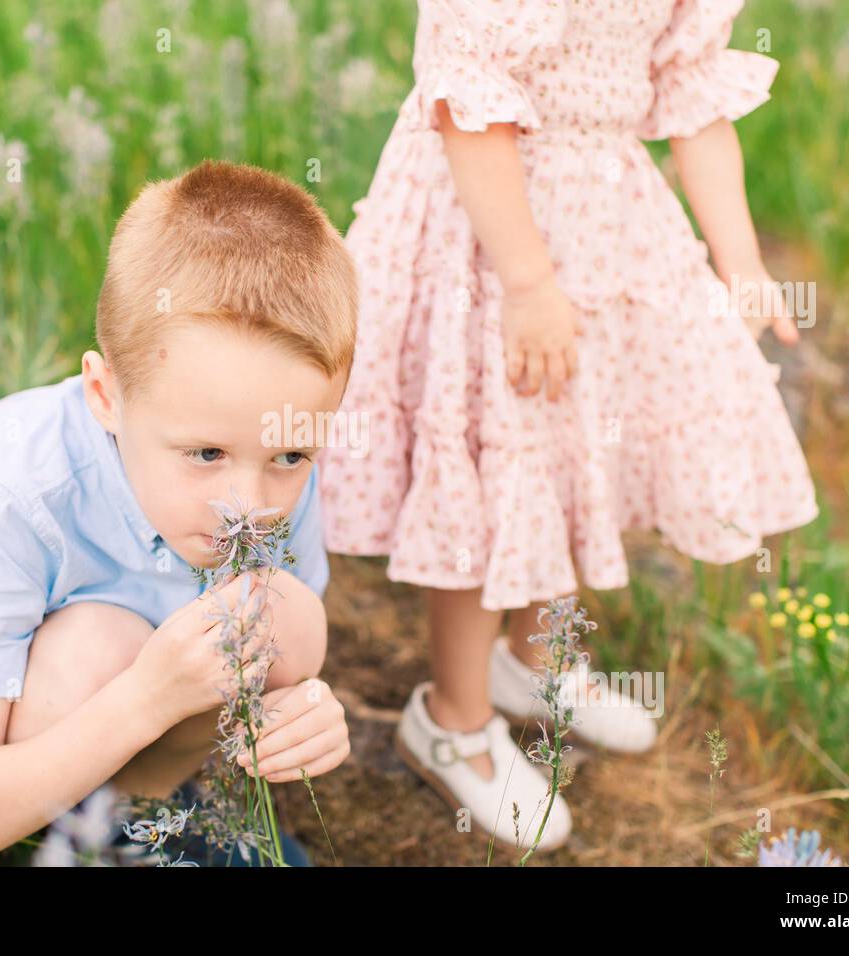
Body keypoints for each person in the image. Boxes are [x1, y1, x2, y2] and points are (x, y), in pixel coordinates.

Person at [319, 0, 819, 851]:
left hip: (606, 216)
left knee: (568, 444)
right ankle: (453, 721)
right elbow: (466, 99)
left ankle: (533, 662)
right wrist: (526, 284)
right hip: (493, 222)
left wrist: (739, 262)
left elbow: (691, 95)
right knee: (492, 454)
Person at [0, 159, 356, 866]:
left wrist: (301, 714)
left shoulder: (266, 445)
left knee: (282, 615)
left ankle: (145, 810)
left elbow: (286, 653)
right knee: (94, 646)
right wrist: (145, 702)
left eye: (289, 457)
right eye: (204, 455)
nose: (247, 509)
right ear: (105, 394)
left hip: (125, 692)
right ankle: (91, 828)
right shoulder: (3, 492)